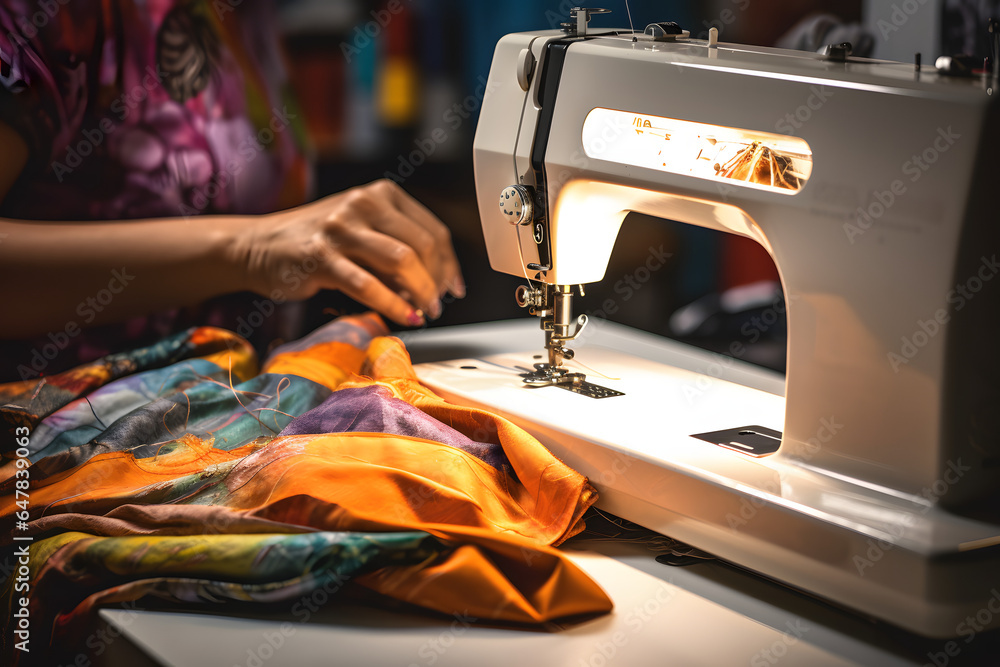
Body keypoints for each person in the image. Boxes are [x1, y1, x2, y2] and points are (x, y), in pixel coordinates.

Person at [0, 0, 463, 377]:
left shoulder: (251, 18)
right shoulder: (53, 16)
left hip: (230, 425)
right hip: (64, 452)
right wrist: (251, 250)